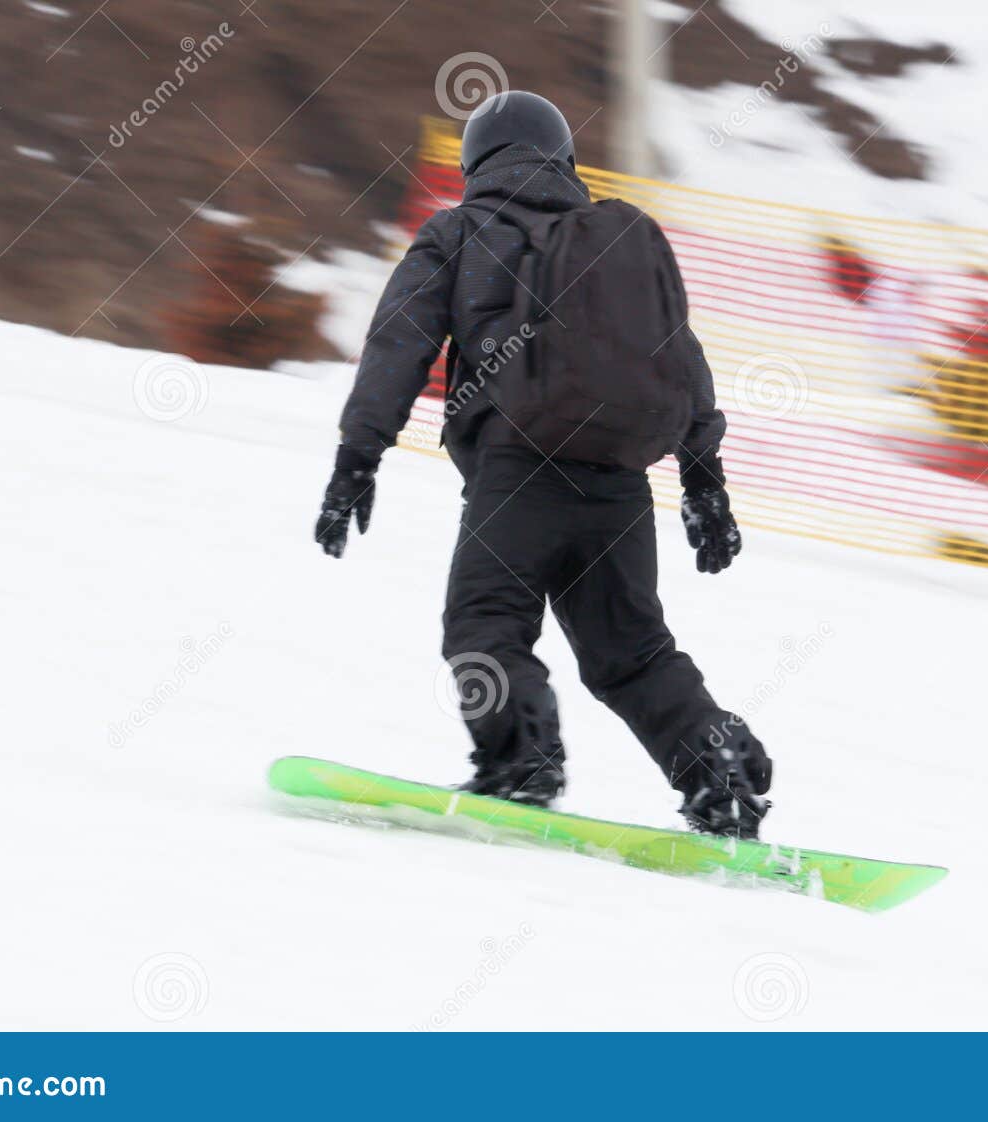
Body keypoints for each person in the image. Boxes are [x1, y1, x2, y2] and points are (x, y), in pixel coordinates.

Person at [315, 91, 771, 838]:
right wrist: (704, 483)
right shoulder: (609, 246)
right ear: (563, 160)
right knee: (632, 654)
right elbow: (681, 358)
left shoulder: (459, 231)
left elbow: (400, 344)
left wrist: (357, 457)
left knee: (483, 629)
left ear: (475, 164)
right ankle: (718, 768)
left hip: (518, 470)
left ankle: (521, 763)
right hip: (618, 484)